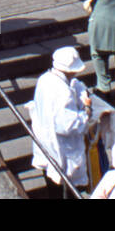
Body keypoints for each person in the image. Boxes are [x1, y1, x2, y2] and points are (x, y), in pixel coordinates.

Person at [28, 46, 92, 195]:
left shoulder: (45, 79)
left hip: (45, 142)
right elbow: (69, 125)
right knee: (65, 191)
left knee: (53, 184)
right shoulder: (63, 93)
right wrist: (86, 112)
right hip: (61, 149)